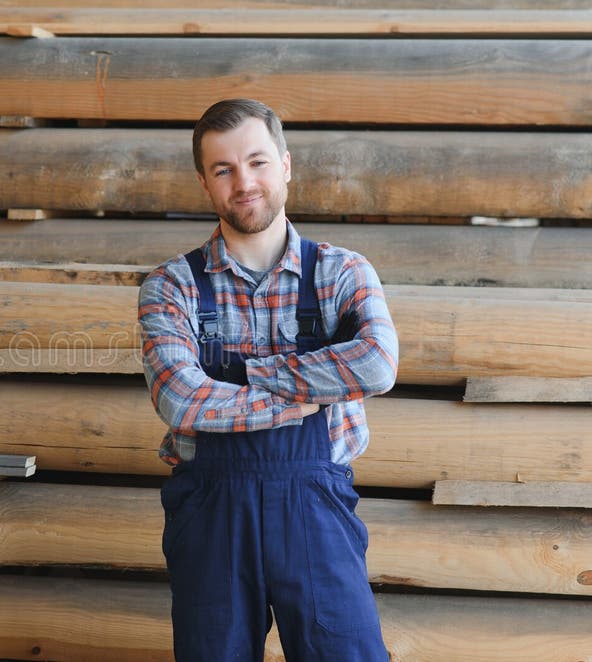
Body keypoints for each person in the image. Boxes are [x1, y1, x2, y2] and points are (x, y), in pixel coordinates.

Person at [138, 99, 399, 661]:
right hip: (212, 515)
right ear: (205, 182)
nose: (244, 182)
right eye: (223, 169)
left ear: (285, 164)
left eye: (257, 162)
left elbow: (377, 363)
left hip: (315, 506)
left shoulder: (342, 273)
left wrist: (253, 377)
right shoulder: (170, 286)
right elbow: (180, 400)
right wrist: (306, 398)